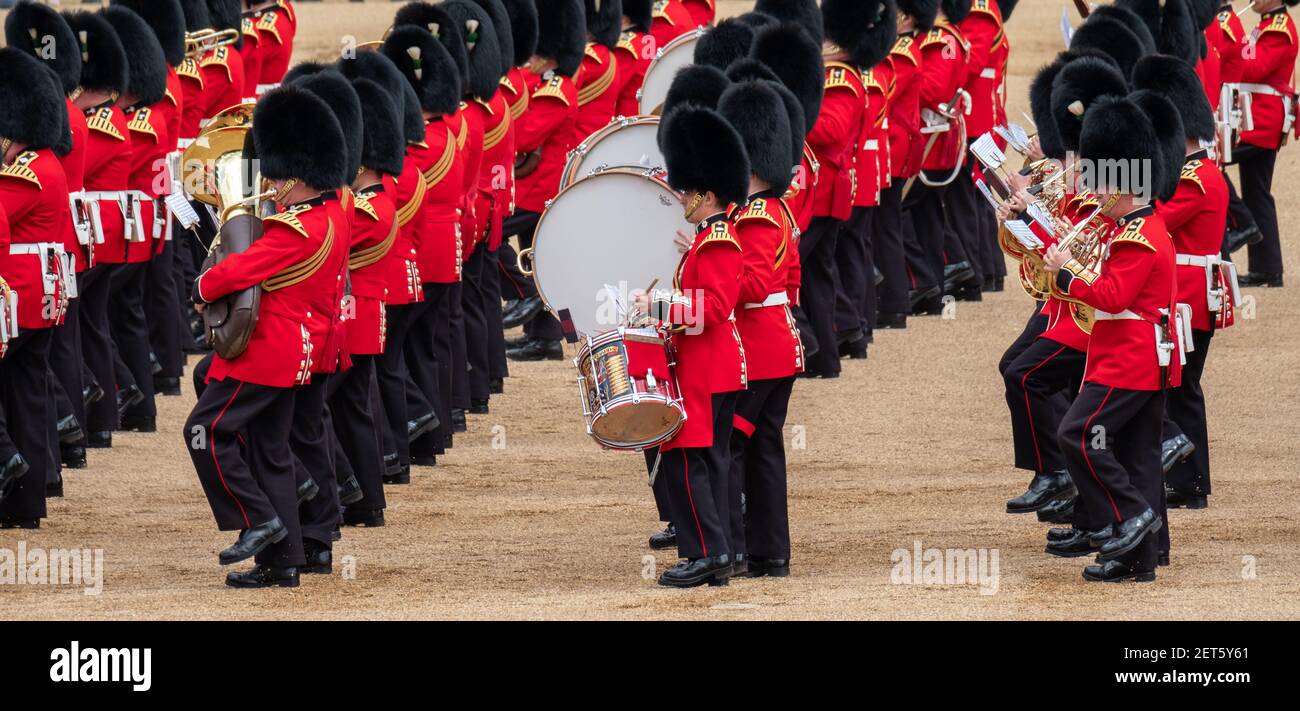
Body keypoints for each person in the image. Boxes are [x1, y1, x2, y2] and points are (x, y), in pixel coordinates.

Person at [186, 86, 349, 588]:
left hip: (266, 353)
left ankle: (258, 520)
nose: (271, 185)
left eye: (276, 177)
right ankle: (285, 560)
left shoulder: (294, 230)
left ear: (296, 176)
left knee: (202, 432)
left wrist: (202, 281)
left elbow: (231, 275)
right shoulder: (332, 216)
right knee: (272, 451)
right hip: (296, 351)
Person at [1043, 92, 1186, 583]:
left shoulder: (1135, 237)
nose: (1095, 190)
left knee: (1078, 434)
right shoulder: (1134, 227)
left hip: (1127, 360)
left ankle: (1128, 517)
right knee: (1138, 454)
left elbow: (1110, 295)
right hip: (1140, 357)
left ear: (1122, 182)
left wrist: (1066, 276)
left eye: (1102, 181)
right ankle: (1143, 557)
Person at [634, 103, 748, 587]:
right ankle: (717, 553)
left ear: (705, 193)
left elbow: (714, 309)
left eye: (686, 189)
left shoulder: (719, 240)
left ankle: (709, 554)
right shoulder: (707, 239)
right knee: (705, 461)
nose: (680, 195)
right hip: (707, 367)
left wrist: (656, 305)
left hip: (708, 370)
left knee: (690, 462)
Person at [1135, 55, 1233, 509]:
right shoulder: (1192, 172)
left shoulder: (1196, 179)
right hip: (1191, 293)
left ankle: (1190, 482)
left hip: (1191, 295)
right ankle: (1187, 480)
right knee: (1180, 388)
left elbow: (1155, 220)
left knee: (1181, 389)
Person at [717, 78, 803, 578]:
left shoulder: (753, 218)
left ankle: (731, 546)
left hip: (760, 348)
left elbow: (752, 285)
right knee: (763, 447)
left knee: (730, 443)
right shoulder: (777, 209)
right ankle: (769, 552)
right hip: (778, 343)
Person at [0, 50, 72, 528]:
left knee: (23, 392)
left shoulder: (22, 173)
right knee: (27, 395)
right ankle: (25, 505)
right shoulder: (46, 162)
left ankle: (6, 459)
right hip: (41, 294)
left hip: (17, 291)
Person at [501, 0, 585, 361]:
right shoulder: (545, 82)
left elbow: (523, 138)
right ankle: (547, 338)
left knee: (487, 239)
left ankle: (526, 291)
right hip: (534, 186)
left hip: (538, 191)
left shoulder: (556, 90)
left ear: (548, 54)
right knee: (541, 259)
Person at [1220, 0, 1298, 287]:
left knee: (1211, 161)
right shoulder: (1266, 24)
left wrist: (1227, 48)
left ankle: (1242, 223)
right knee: (1257, 192)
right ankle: (1267, 269)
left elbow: (1253, 69)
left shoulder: (1279, 29)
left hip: (1262, 120)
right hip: (1256, 117)